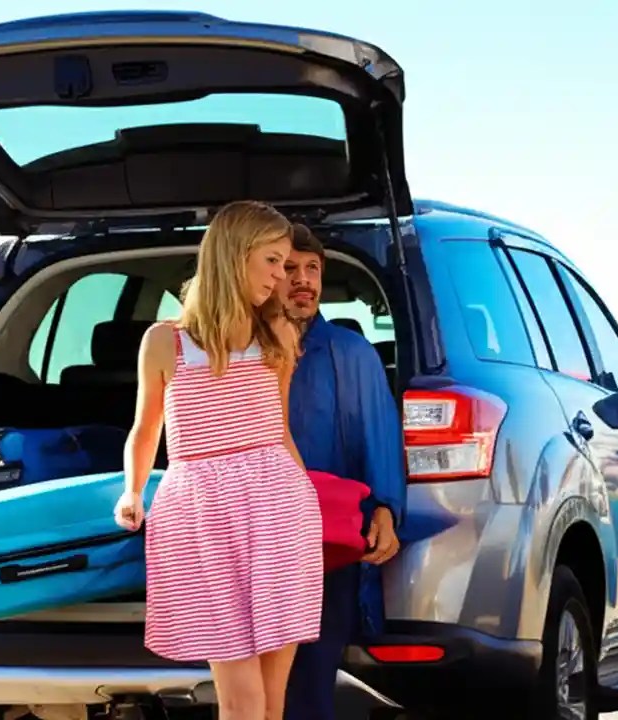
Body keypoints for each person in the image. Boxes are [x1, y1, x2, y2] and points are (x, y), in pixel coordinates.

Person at [114, 200, 325, 720]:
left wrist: (308, 502)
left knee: (272, 700)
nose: (282, 277)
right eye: (273, 260)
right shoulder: (165, 342)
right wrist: (132, 491)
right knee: (243, 697)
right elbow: (147, 430)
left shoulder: (276, 334)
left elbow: (280, 432)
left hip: (278, 509)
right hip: (202, 518)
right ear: (235, 255)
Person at [279, 224, 406, 720]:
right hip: (249, 538)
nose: (303, 281)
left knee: (310, 685)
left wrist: (385, 511)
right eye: (289, 268)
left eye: (312, 269)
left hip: (327, 542)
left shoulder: (351, 353)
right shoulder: (240, 350)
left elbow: (378, 437)